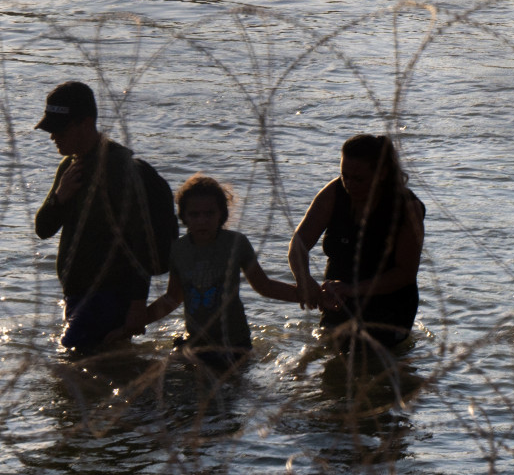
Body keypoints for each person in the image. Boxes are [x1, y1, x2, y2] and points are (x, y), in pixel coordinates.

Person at [31, 80, 176, 356]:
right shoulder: (70, 167)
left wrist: (136, 304)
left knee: (72, 357)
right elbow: (42, 229)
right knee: (103, 366)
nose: (53, 137)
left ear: (85, 124)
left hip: (111, 294)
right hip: (77, 294)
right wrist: (59, 198)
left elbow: (141, 243)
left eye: (59, 129)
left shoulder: (119, 170)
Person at [141, 173, 304, 372]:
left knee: (226, 391)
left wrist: (306, 295)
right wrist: (134, 324)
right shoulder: (178, 250)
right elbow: (172, 298)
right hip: (196, 342)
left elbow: (265, 286)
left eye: (209, 214)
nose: (202, 220)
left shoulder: (236, 244)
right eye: (194, 214)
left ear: (222, 214)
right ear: (183, 216)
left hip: (234, 344)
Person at [288, 134, 426, 351]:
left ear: (382, 174)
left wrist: (352, 289)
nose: (349, 184)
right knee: (331, 367)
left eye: (359, 179)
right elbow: (299, 245)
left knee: (376, 366)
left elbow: (405, 273)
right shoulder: (334, 192)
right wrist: (304, 280)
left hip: (389, 307)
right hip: (339, 301)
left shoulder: (407, 208)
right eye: (345, 176)